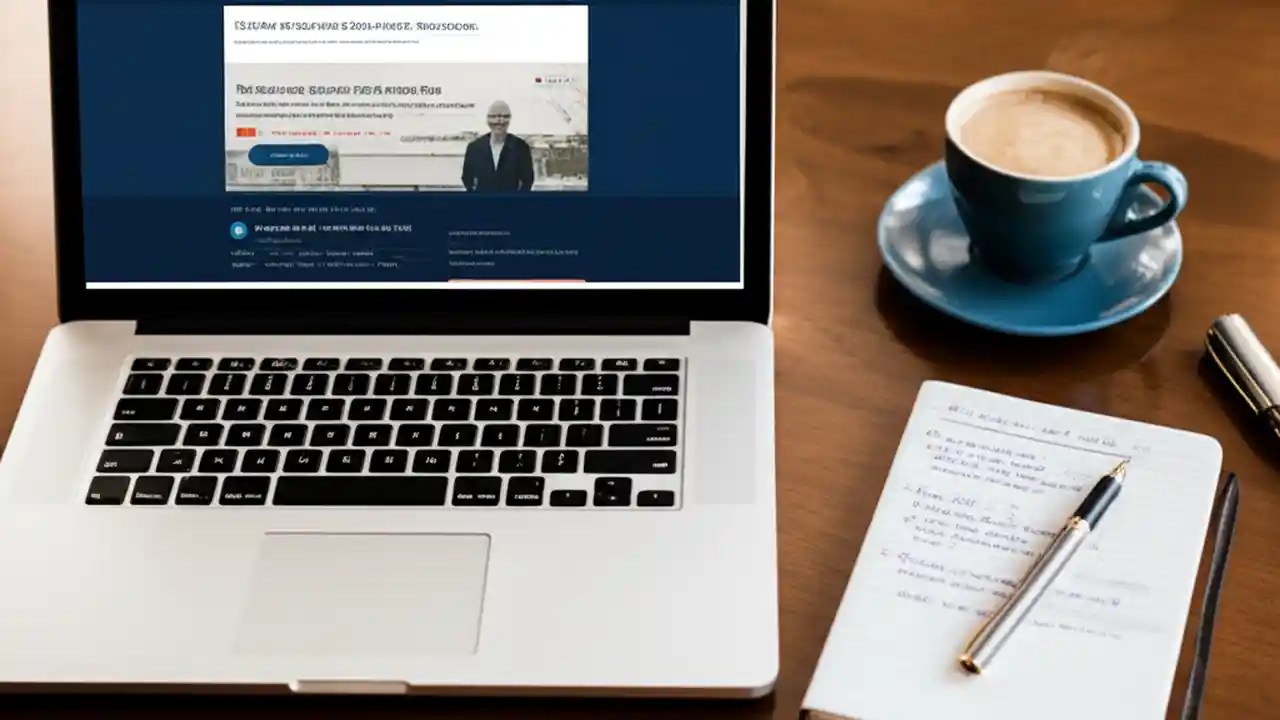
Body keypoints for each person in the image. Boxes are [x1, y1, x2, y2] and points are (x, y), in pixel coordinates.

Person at [461, 100, 535, 192]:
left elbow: (527, 181)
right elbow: (467, 179)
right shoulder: (474, 148)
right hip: (482, 204)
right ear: (487, 120)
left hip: (511, 204)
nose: (500, 121)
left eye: (505, 116)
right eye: (494, 116)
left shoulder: (521, 147)